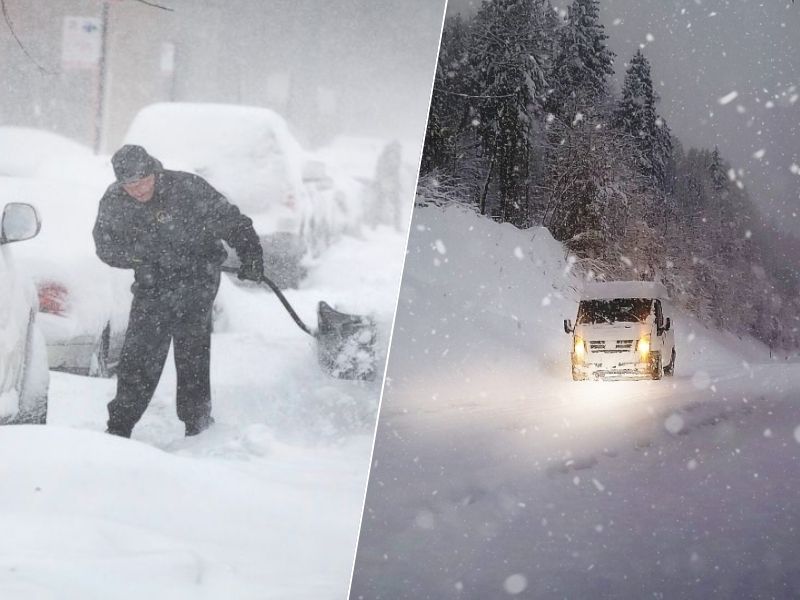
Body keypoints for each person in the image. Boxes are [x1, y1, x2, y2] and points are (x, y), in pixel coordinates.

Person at [93, 144, 264, 438]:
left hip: (198, 278)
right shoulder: (115, 201)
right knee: (140, 353)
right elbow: (106, 247)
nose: (138, 190)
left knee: (192, 350)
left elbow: (233, 222)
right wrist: (143, 258)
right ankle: (120, 426)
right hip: (153, 283)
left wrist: (251, 255)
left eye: (143, 181)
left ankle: (197, 422)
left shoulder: (187, 188)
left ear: (154, 172)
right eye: (130, 185)